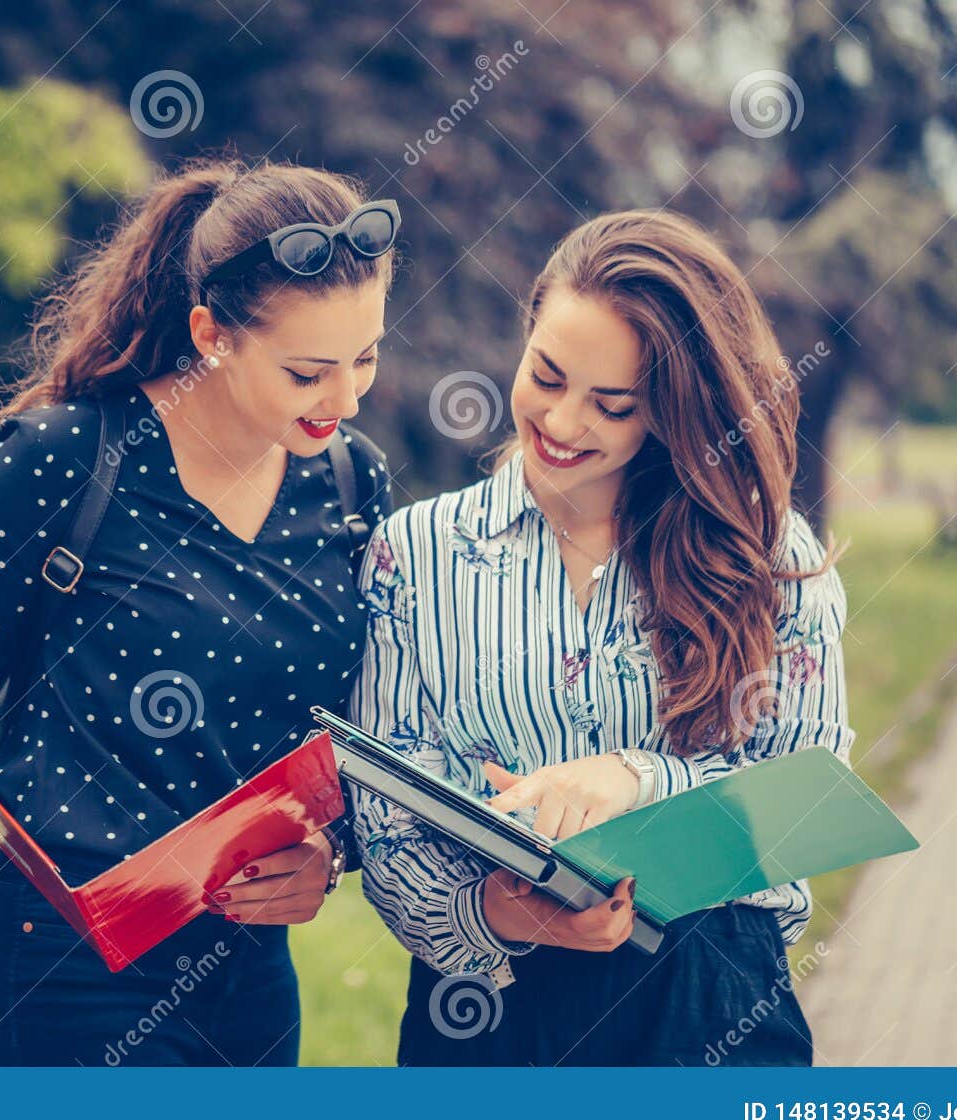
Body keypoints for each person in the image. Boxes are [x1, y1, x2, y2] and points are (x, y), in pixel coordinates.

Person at [0, 158, 398, 1066]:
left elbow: (373, 724)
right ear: (212, 335)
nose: (345, 398)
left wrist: (331, 852)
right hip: (52, 951)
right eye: (308, 372)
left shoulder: (349, 482)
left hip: (243, 962)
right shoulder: (68, 454)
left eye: (367, 357)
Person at [350, 209, 852, 1066]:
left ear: (670, 410)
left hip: (710, 997)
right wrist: (499, 914)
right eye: (546, 376)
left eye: (613, 405)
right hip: (487, 1012)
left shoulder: (766, 560)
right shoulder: (416, 552)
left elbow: (808, 796)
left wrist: (635, 777)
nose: (564, 422)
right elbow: (385, 809)